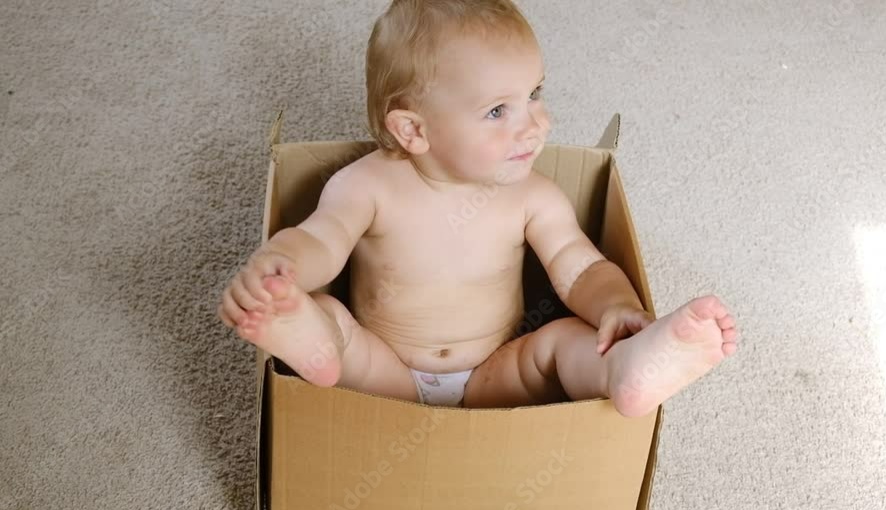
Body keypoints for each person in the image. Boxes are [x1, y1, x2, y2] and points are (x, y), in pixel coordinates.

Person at [218, 0, 738, 415]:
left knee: (562, 342)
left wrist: (616, 309)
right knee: (330, 316)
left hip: (498, 372)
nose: (536, 123)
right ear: (413, 130)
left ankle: (624, 371)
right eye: (497, 110)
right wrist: (280, 267)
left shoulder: (533, 194)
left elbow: (582, 269)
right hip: (384, 372)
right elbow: (321, 241)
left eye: (534, 92)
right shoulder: (366, 186)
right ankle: (308, 338)